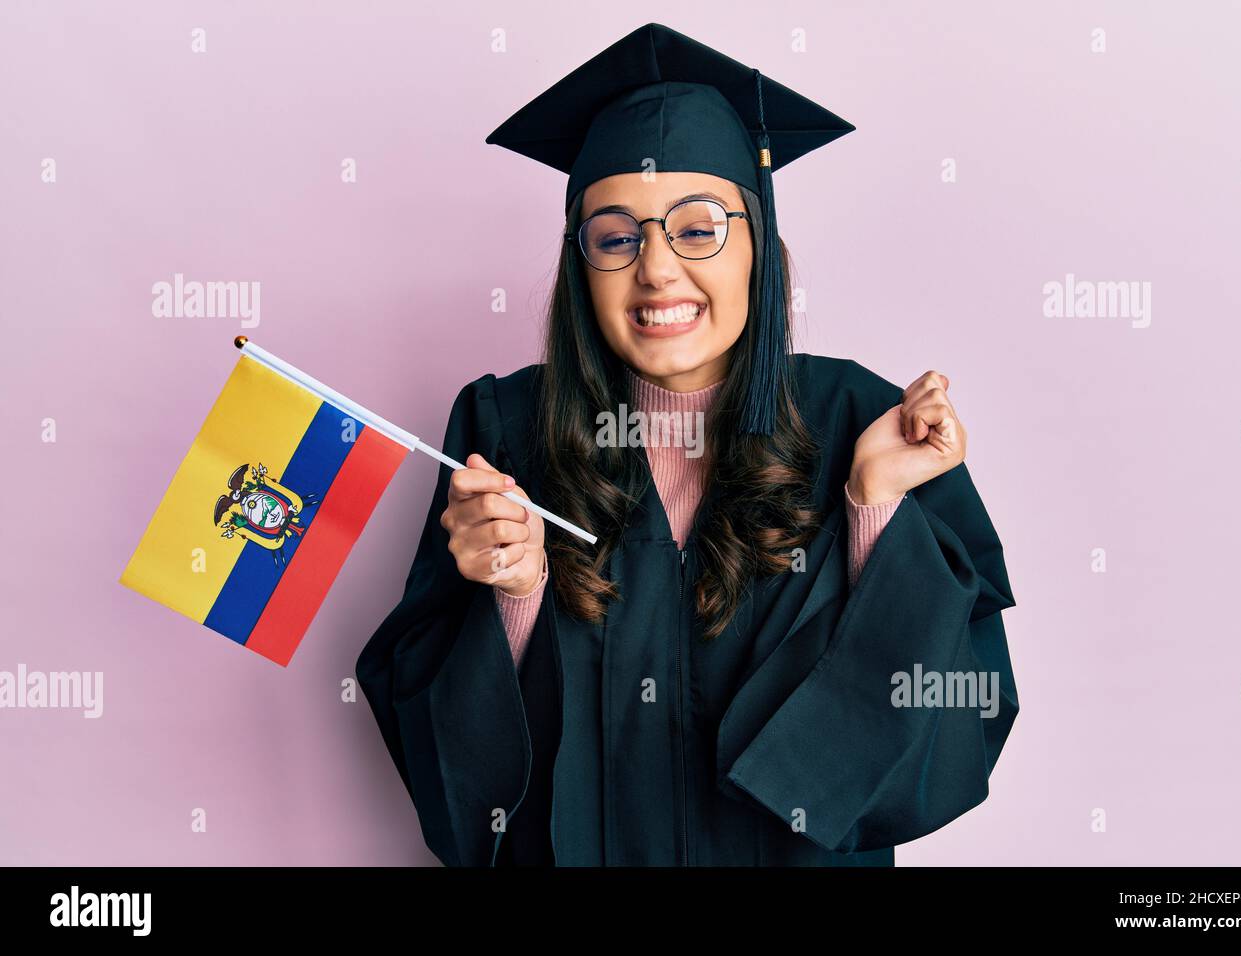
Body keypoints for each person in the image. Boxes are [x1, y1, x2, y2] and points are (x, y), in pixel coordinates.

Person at [356, 23, 1018, 866]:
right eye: (615, 236)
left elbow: (958, 719)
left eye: (698, 227)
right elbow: (445, 763)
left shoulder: (858, 421)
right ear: (579, 264)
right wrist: (513, 597)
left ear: (758, 250)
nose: (658, 268)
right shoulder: (505, 433)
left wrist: (872, 514)